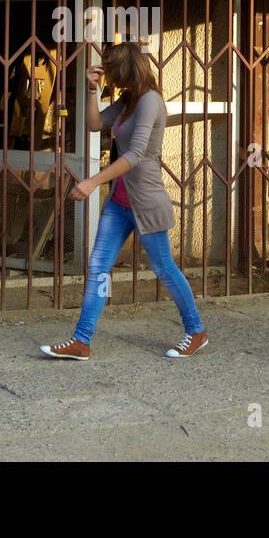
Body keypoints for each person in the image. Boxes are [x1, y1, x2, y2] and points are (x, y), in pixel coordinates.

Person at [40, 40, 208, 360]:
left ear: (128, 69)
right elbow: (93, 124)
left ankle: (196, 331)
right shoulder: (129, 101)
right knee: (98, 268)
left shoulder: (150, 101)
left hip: (146, 202)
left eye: (114, 71)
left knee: (163, 268)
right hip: (119, 202)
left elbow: (135, 154)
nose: (111, 78)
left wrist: (91, 181)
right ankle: (82, 340)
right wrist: (92, 90)